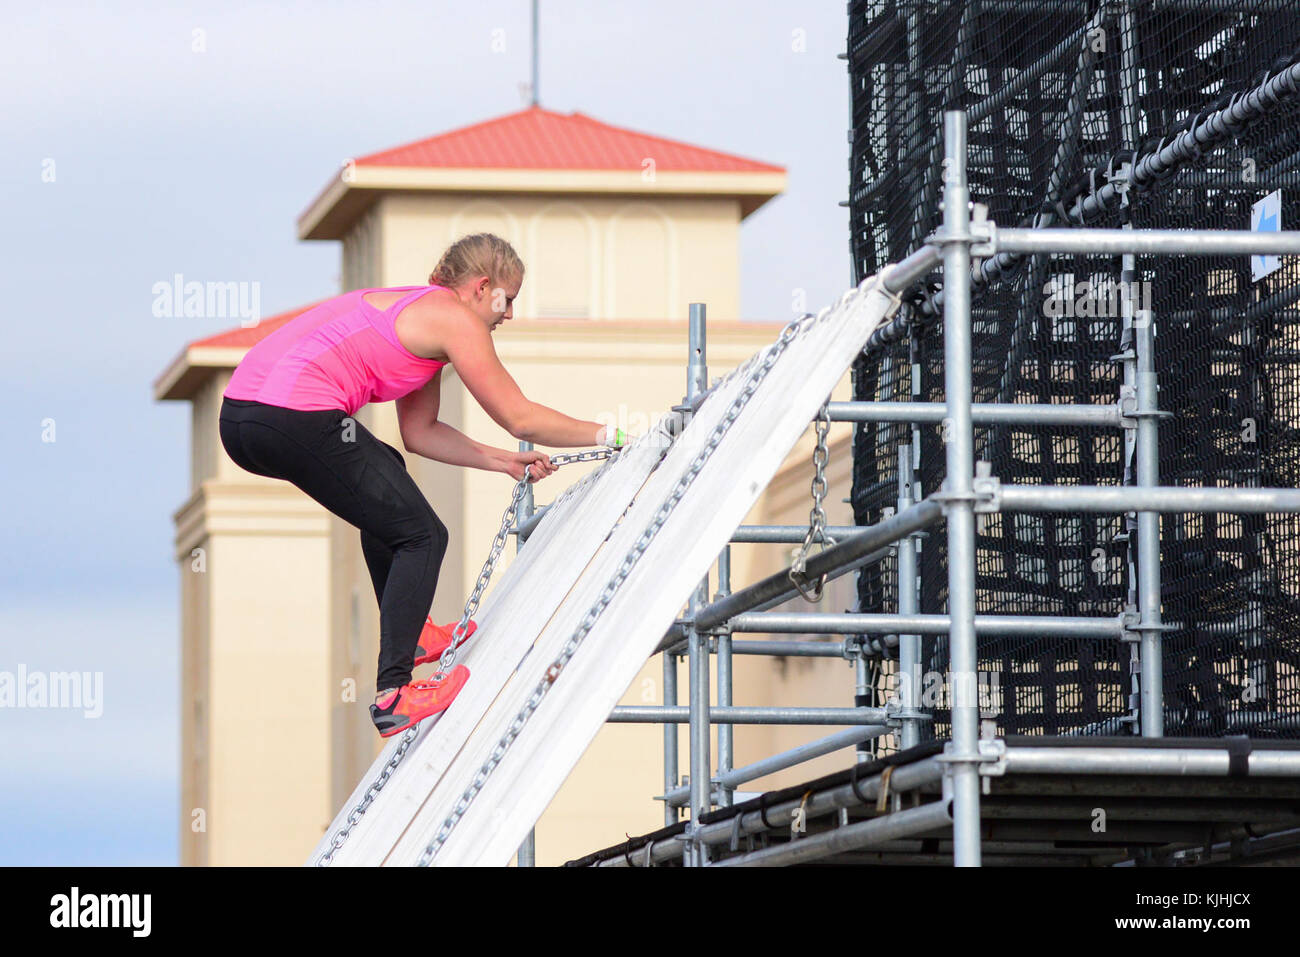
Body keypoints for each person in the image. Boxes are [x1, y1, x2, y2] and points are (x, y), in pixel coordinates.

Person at [218, 233, 627, 737]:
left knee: (386, 475)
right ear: (482, 288)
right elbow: (520, 416)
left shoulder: (425, 315)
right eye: (509, 299)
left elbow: (419, 433)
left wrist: (503, 462)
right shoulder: (455, 320)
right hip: (288, 416)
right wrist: (612, 435)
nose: (510, 315)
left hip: (243, 419)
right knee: (424, 535)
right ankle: (394, 694)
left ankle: (413, 636)